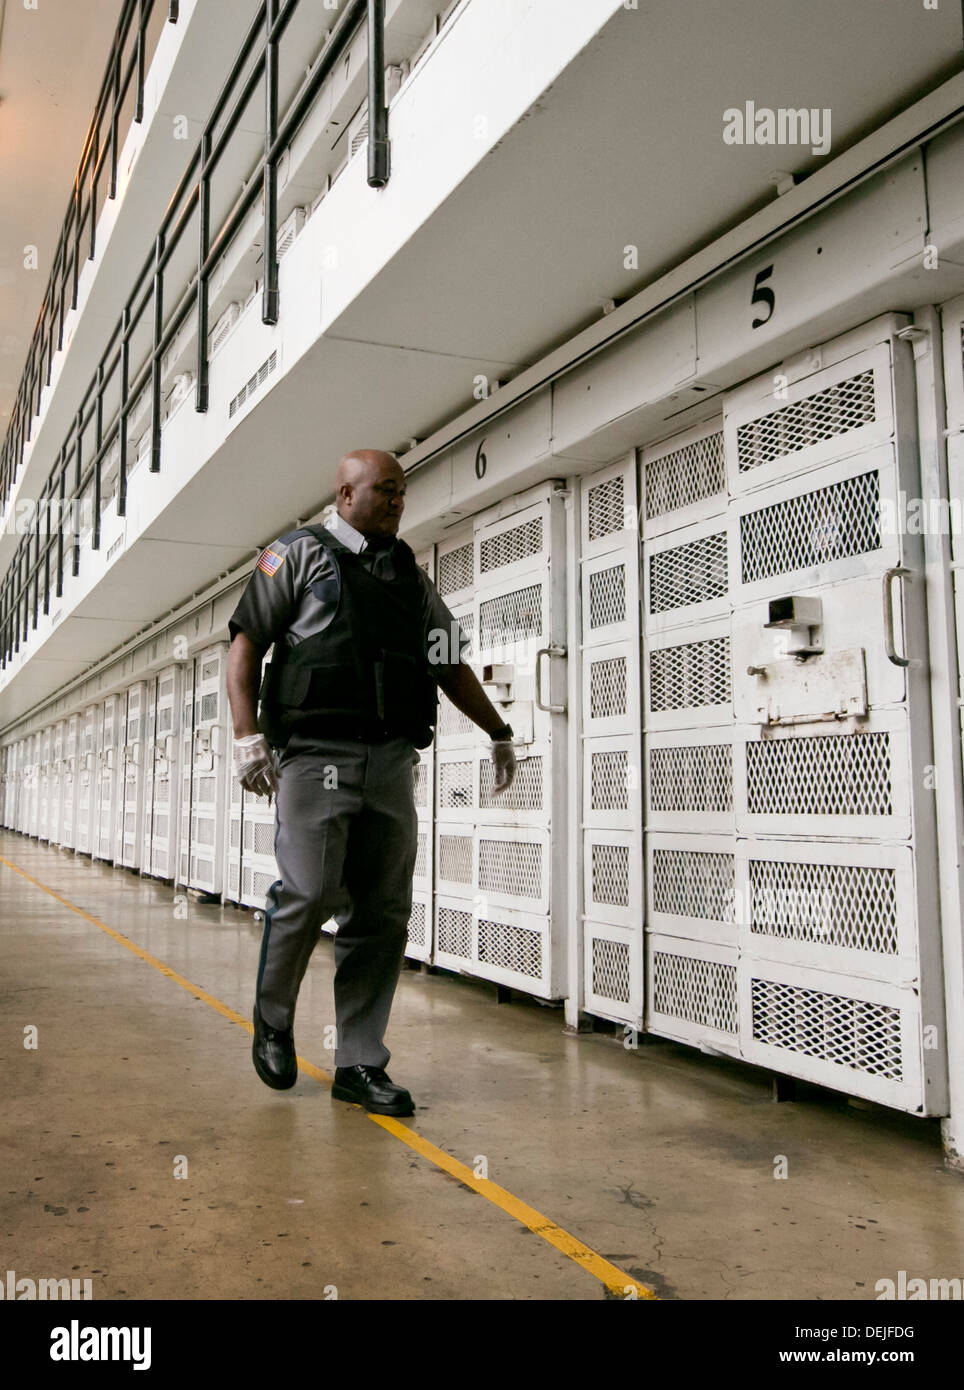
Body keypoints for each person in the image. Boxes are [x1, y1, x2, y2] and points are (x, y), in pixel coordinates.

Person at [226, 449, 517, 1116]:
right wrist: (247, 738)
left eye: (402, 492)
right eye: (384, 490)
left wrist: (498, 730)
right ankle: (273, 1018)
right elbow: (245, 646)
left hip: (389, 762)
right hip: (314, 755)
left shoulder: (407, 576)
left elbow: (446, 661)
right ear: (345, 492)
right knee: (309, 890)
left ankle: (360, 1061)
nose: (396, 501)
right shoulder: (295, 554)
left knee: (382, 912)